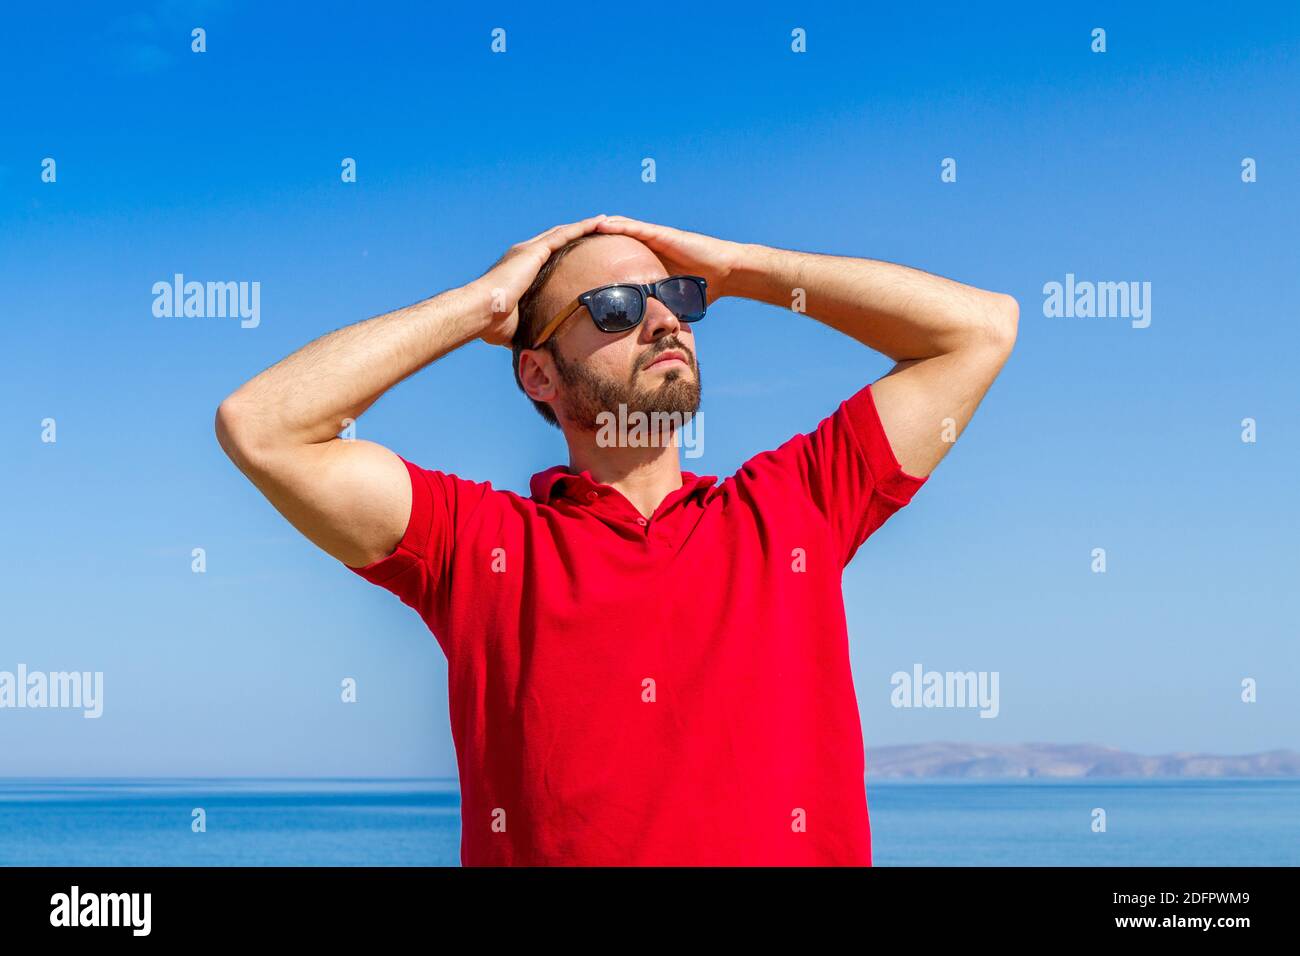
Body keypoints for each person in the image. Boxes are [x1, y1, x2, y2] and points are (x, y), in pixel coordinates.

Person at [215, 214, 1018, 865]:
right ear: (539, 375)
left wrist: (739, 267)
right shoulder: (479, 546)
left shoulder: (794, 506)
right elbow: (263, 428)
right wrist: (481, 304)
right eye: (616, 308)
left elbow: (980, 328)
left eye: (675, 296)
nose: (664, 319)